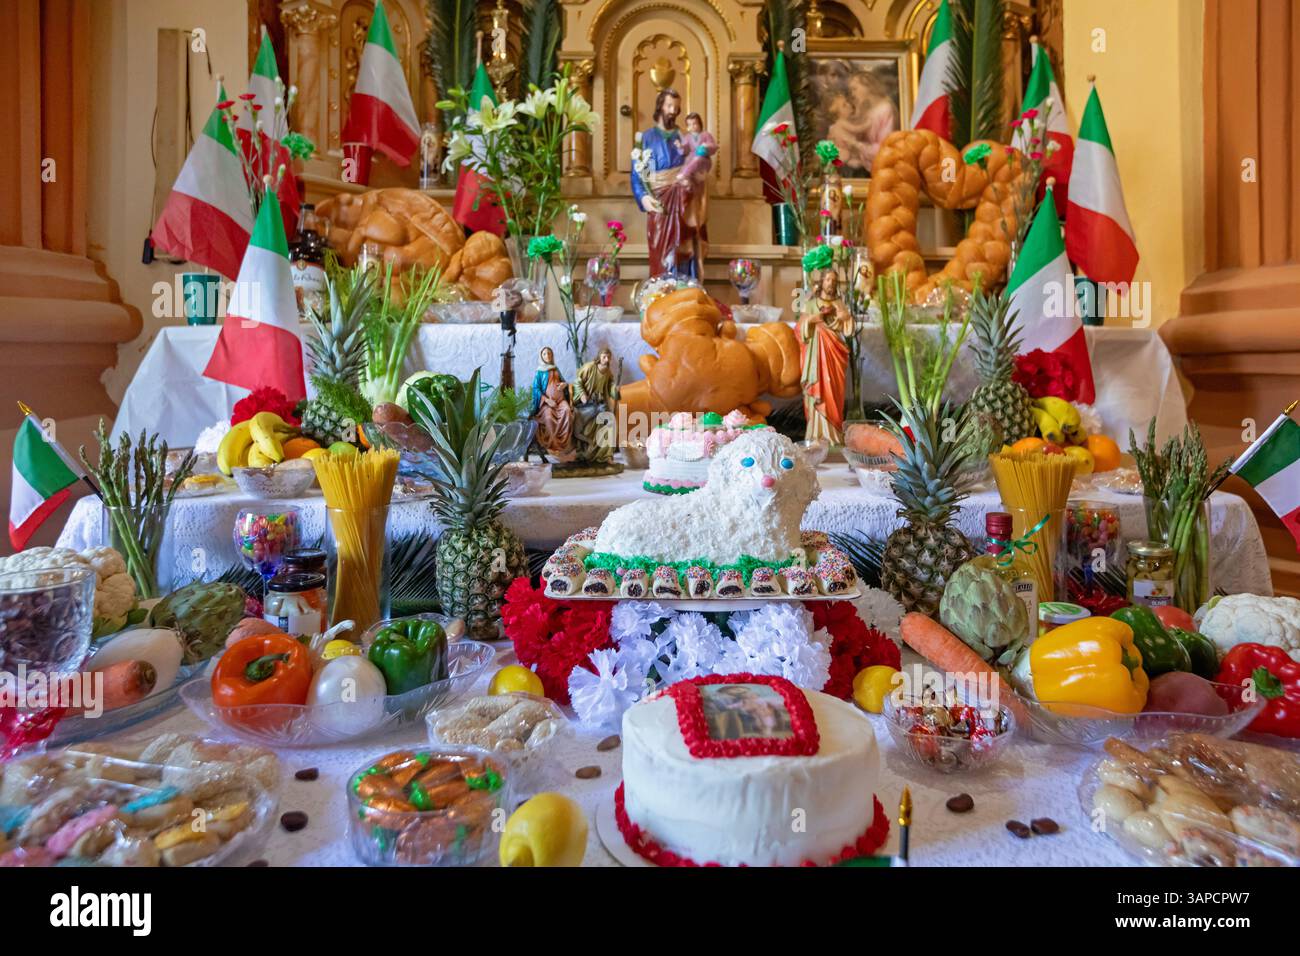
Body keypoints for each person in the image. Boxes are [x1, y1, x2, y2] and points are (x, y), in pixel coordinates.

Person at [631, 89, 705, 279]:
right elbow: (640, 172)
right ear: (660, 106)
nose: (673, 110)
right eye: (669, 105)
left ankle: (684, 289)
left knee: (683, 247)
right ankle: (662, 290)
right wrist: (644, 197)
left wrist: (693, 182)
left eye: (676, 107)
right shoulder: (646, 138)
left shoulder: (683, 137)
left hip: (683, 201)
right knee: (660, 249)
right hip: (659, 201)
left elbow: (696, 165)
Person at [799, 270, 855, 445]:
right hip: (816, 356)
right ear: (822, 282)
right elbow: (800, 330)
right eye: (828, 279)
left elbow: (848, 330)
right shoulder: (811, 304)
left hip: (835, 354)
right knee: (819, 388)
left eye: (834, 280)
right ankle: (816, 435)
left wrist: (846, 318)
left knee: (835, 393)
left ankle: (835, 435)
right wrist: (811, 320)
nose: (831, 283)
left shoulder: (839, 303)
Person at [675, 112, 717, 276]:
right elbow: (682, 151)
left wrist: (706, 148)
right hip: (691, 168)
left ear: (700, 124)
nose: (693, 127)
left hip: (702, 164)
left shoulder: (705, 135)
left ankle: (685, 174)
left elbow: (713, 147)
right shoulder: (687, 137)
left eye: (695, 124)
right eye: (690, 124)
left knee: (698, 157)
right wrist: (679, 146)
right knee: (692, 161)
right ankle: (685, 175)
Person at [530, 347, 575, 461]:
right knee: (549, 417)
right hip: (546, 404)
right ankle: (553, 444)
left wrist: (564, 385)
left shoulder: (555, 369)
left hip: (560, 402)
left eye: (549, 353)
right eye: (545, 354)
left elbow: (563, 381)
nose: (547, 356)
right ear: (541, 356)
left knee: (567, 412)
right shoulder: (539, 372)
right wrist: (546, 400)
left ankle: (563, 445)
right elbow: (536, 388)